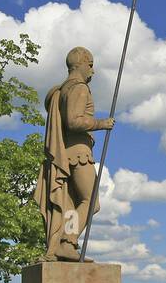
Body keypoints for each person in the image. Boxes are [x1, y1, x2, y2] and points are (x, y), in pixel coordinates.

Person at [33, 47, 114, 261]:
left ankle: (64, 243)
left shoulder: (63, 89)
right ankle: (68, 240)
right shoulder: (78, 88)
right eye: (90, 65)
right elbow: (74, 120)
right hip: (78, 153)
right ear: (79, 64)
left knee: (71, 202)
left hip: (67, 153)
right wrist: (101, 123)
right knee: (91, 199)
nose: (93, 71)